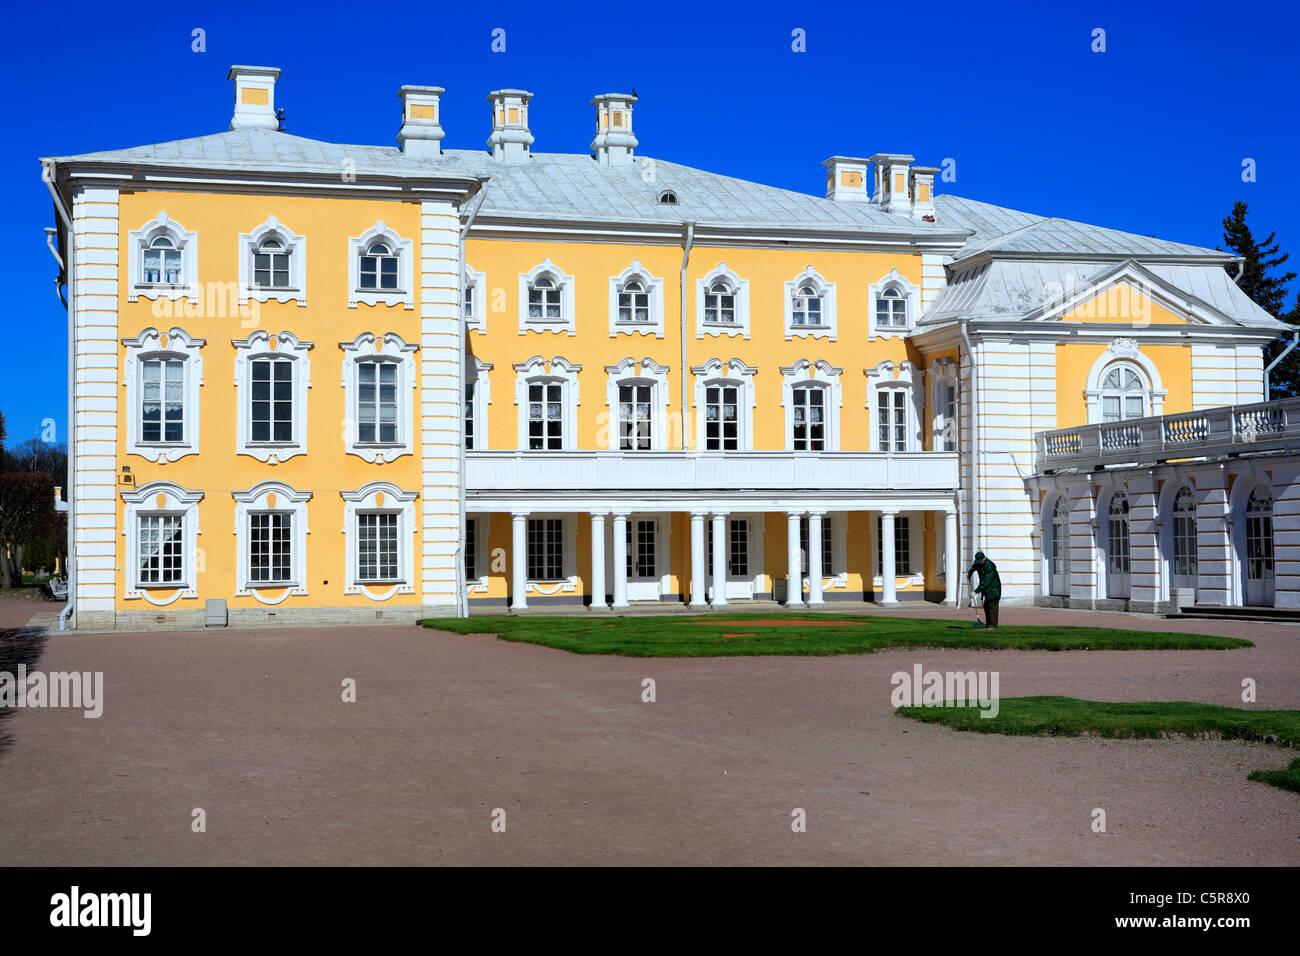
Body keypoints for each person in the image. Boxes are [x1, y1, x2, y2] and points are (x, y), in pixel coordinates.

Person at [967, 551, 1002, 628]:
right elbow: (974, 567)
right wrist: (970, 573)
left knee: (992, 606)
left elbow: (986, 582)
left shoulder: (990, 566)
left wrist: (976, 591)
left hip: (993, 589)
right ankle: (988, 624)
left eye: (980, 561)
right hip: (986, 589)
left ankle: (993, 626)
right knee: (986, 606)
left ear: (984, 559)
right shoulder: (979, 564)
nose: (979, 563)